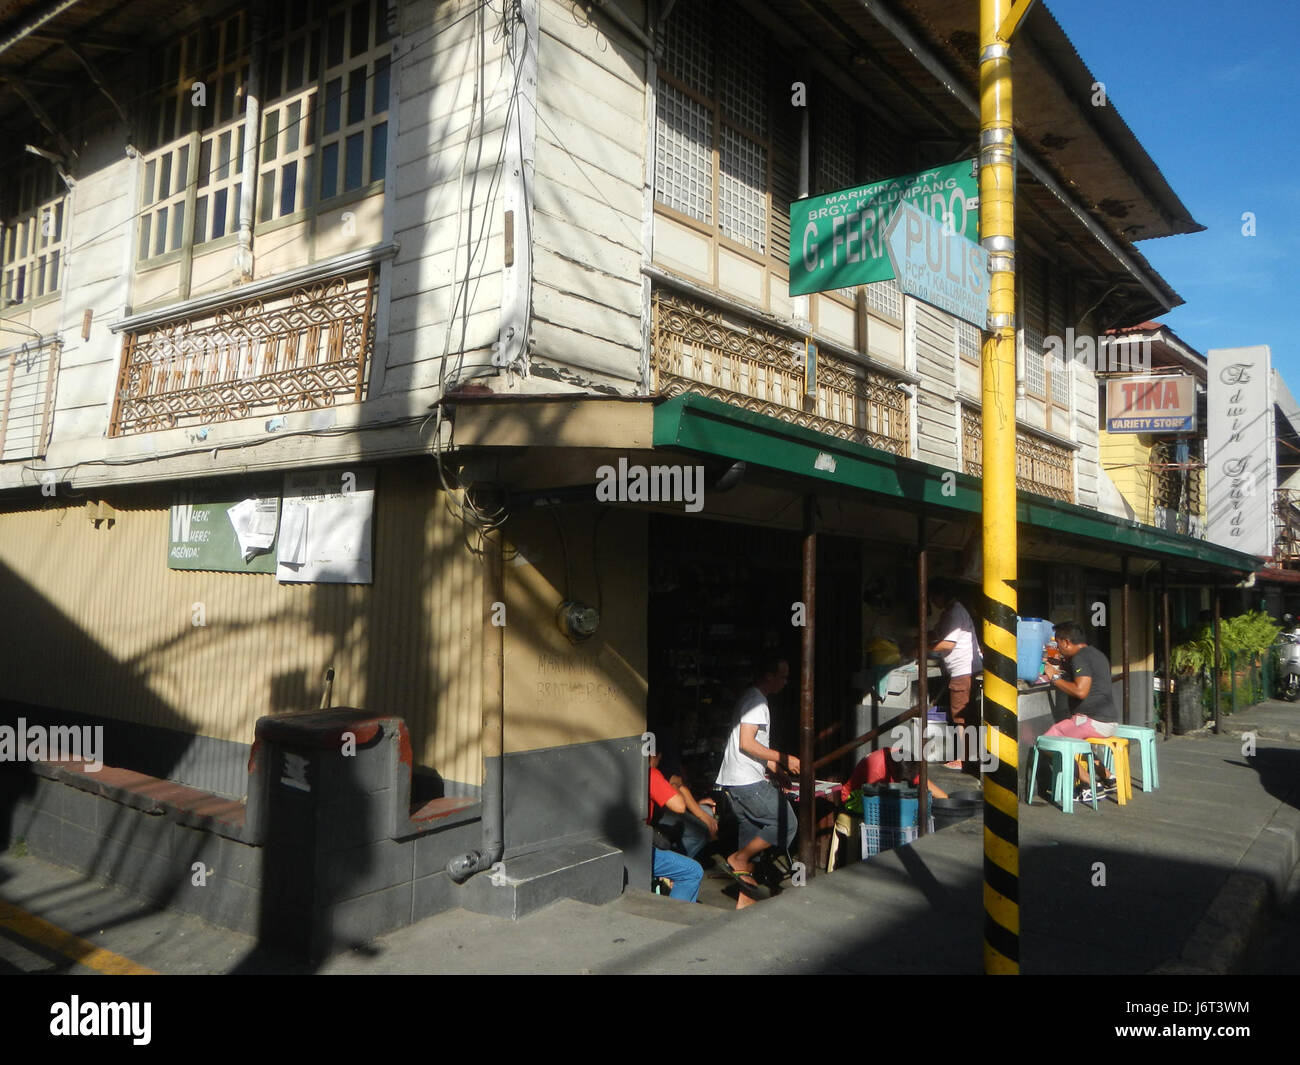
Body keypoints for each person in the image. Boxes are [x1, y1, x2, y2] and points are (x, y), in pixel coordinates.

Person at [715, 657, 800, 910]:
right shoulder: (757, 702)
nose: (786, 682)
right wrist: (785, 759)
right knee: (786, 823)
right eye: (783, 676)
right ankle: (738, 858)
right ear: (769, 676)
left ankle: (745, 901)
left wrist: (775, 770)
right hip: (746, 782)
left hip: (736, 781)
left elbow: (752, 747)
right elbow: (747, 743)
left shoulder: (751, 699)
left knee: (753, 837)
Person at [1042, 621, 1119, 802]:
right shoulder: (1096, 654)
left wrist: (1053, 676)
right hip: (1108, 721)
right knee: (1078, 746)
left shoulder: (1080, 657)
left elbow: (1081, 691)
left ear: (1067, 642)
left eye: (1058, 643)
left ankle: (1089, 784)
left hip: (1091, 721)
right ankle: (1108, 776)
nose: (1058, 648)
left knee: (1048, 742)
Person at [927, 579, 983, 770]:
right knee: (965, 716)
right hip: (963, 670)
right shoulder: (950, 613)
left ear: (942, 595)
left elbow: (947, 644)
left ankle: (963, 760)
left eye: (933, 598)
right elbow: (936, 634)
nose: (933, 603)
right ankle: (968, 757)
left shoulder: (955, 612)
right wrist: (919, 640)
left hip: (963, 671)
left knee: (961, 717)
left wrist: (919, 648)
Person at [648, 751, 704, 902]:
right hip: (637, 847)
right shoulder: (649, 773)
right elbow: (679, 806)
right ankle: (673, 920)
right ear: (655, 756)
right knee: (692, 871)